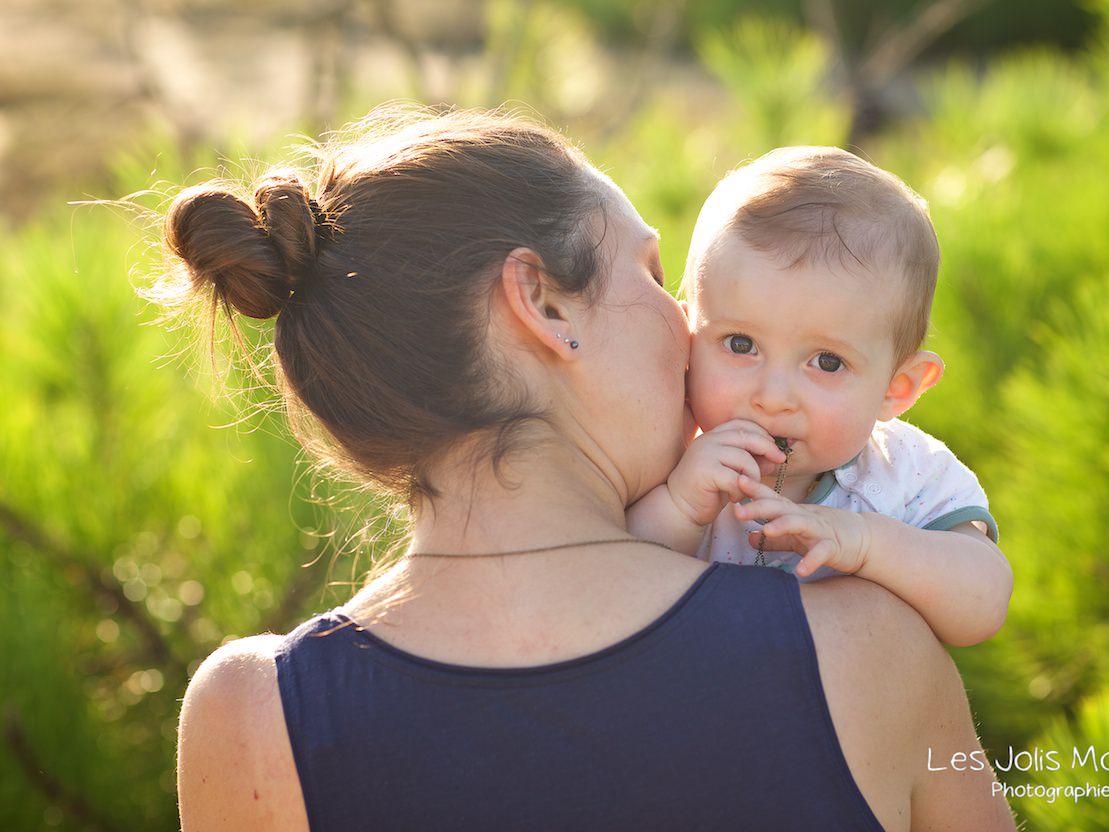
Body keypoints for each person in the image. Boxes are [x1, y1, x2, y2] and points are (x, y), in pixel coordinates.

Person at [169, 108, 1016, 831]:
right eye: (653, 275)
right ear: (544, 305)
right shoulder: (867, 649)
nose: (685, 329)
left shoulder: (252, 716)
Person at [626, 146, 1013, 648]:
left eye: (827, 362)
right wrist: (678, 508)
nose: (773, 397)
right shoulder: (670, 457)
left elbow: (983, 605)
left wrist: (866, 544)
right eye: (741, 345)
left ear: (898, 388)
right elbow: (611, 586)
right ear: (687, 339)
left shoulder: (905, 474)